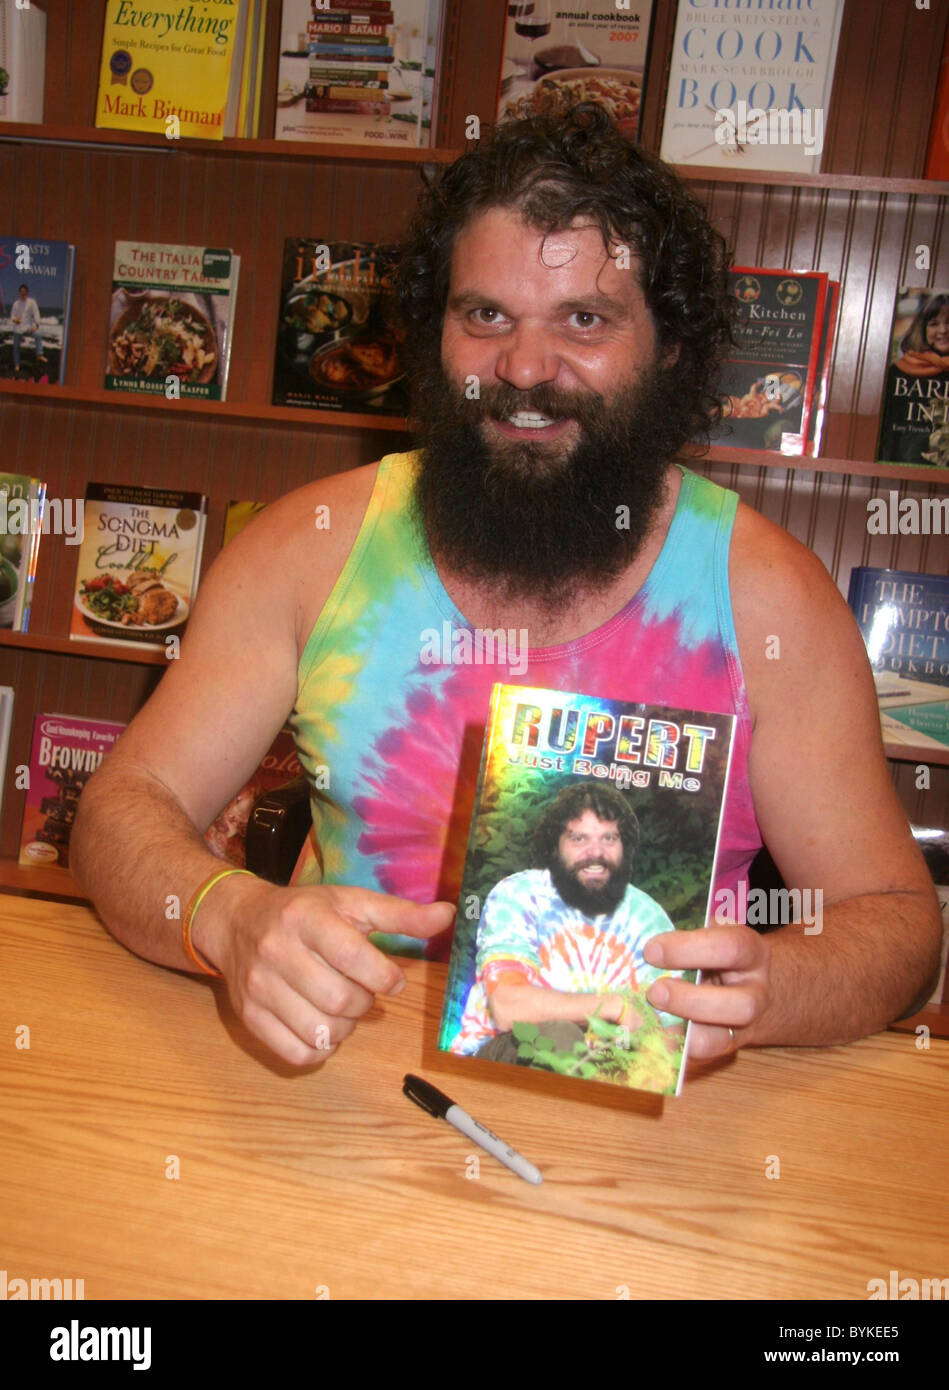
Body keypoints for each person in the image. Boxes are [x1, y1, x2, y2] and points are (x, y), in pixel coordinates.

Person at [71, 106, 941, 1071]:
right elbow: (121, 807)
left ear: (670, 348)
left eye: (585, 319)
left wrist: (768, 992)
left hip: (654, 1127)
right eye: (484, 315)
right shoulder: (307, 550)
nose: (523, 369)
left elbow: (899, 924)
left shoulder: (768, 600)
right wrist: (228, 919)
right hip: (339, 1093)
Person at [450, 785, 683, 1062]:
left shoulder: (647, 916)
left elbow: (670, 1036)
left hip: (605, 1061)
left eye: (609, 838)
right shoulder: (520, 894)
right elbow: (507, 1008)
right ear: (555, 847)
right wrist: (614, 1006)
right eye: (579, 839)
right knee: (561, 1036)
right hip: (504, 1050)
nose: (595, 852)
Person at [10, 283, 46, 377]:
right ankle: (17, 364)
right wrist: (15, 320)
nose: (23, 294)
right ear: (19, 293)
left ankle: (39, 354)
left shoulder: (31, 302)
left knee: (38, 335)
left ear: (27, 292)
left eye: (24, 292)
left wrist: (37, 325)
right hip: (18, 328)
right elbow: (12, 316)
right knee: (16, 347)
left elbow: (36, 313)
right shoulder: (16, 303)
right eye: (21, 292)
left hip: (28, 327)